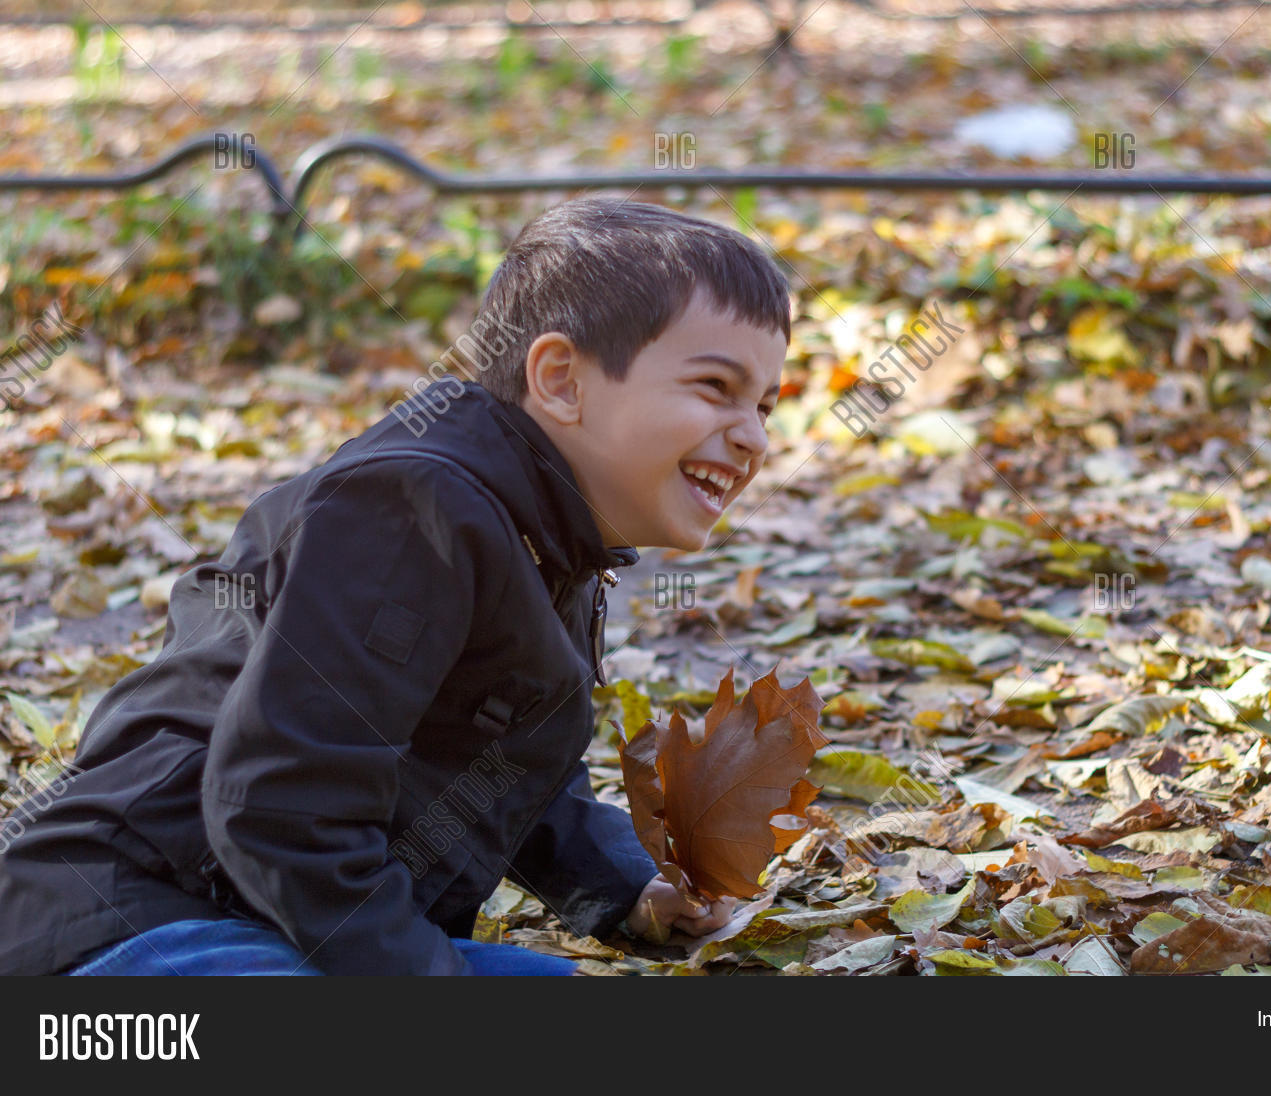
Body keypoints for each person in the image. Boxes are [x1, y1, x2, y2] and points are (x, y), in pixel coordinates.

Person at [0, 195, 791, 975]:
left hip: (294, 923)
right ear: (561, 380)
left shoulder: (554, 536)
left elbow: (497, 769)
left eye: (764, 405)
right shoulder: (413, 510)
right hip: (141, 921)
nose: (752, 436)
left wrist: (629, 889)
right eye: (715, 388)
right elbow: (276, 805)